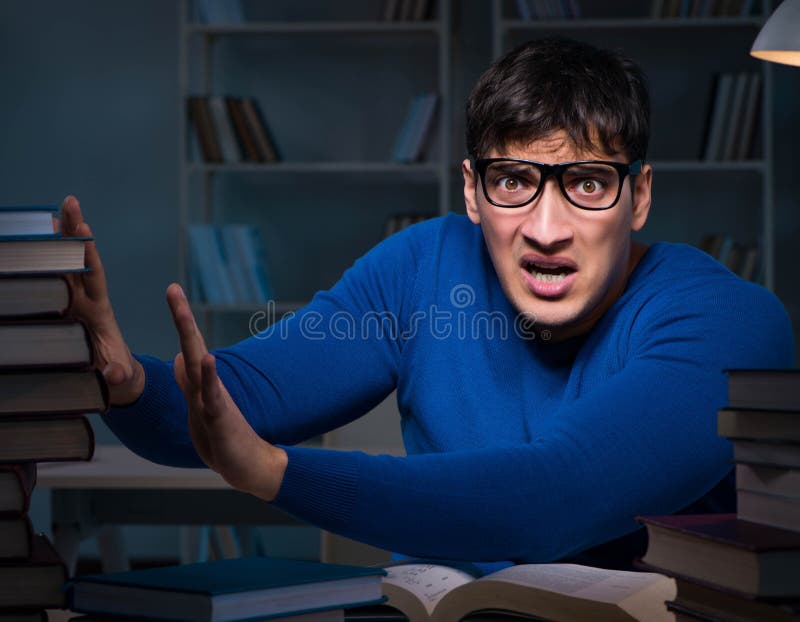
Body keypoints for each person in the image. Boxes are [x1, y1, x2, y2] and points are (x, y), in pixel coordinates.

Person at [61, 37, 793, 570]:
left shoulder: (729, 325)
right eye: (514, 181)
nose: (546, 228)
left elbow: (551, 501)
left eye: (589, 183)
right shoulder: (424, 266)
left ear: (639, 197)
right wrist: (127, 382)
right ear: (472, 191)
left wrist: (275, 472)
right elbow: (232, 401)